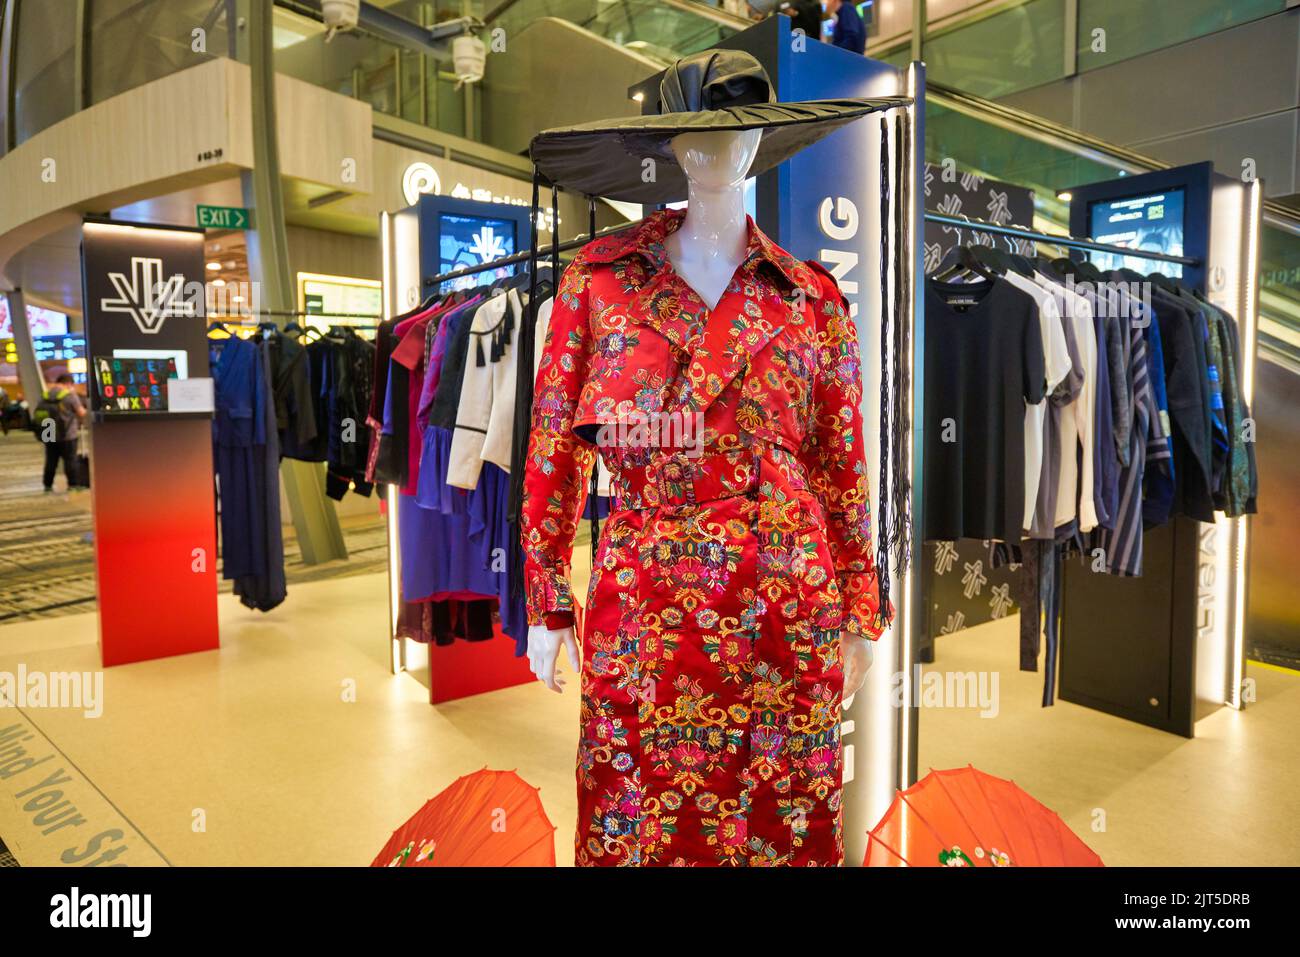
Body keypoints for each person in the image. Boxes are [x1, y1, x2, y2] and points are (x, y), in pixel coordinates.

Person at [37, 373, 86, 493]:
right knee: (70, 459)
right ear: (68, 384)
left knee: (50, 460)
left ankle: (47, 485)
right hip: (67, 433)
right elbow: (81, 413)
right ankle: (73, 485)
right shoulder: (70, 395)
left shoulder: (45, 395)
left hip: (48, 432)